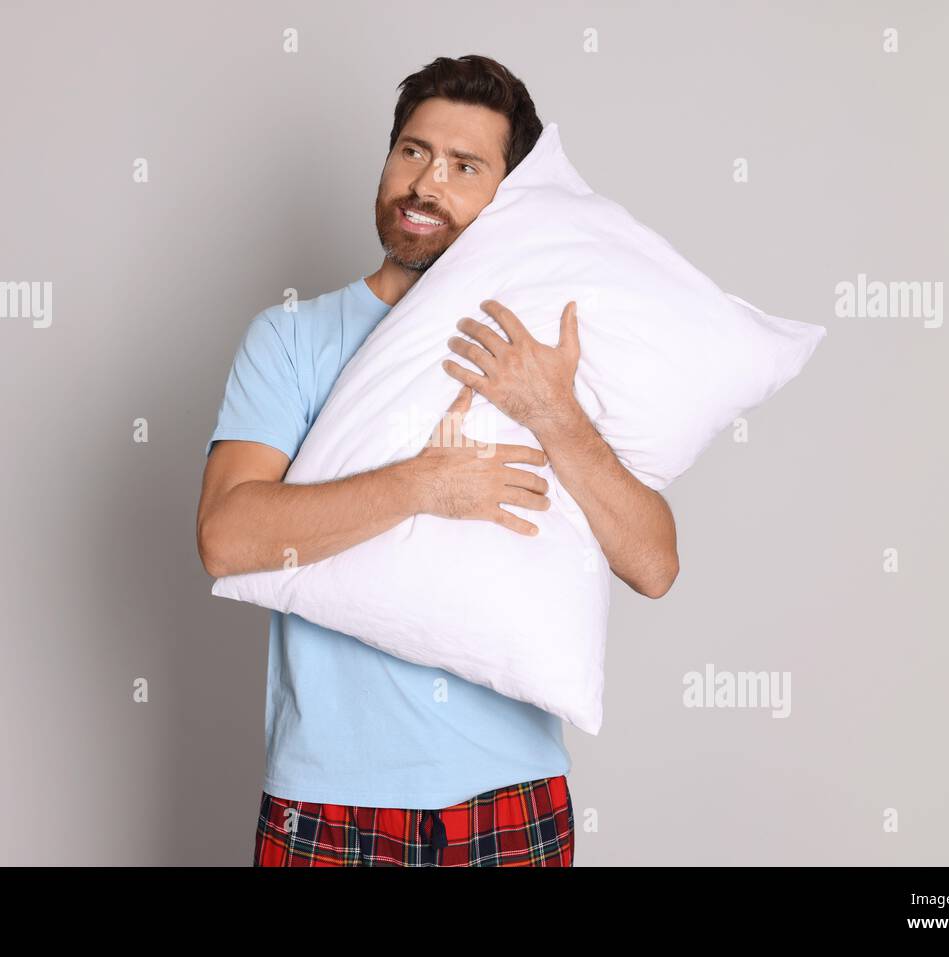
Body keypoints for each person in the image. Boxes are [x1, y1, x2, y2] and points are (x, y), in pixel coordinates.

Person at [196, 54, 679, 867]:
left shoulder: (542, 349)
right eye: (413, 151)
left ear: (507, 200)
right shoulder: (291, 339)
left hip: (510, 798)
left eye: (465, 166)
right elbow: (228, 537)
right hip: (327, 801)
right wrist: (427, 484)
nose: (426, 184)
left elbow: (655, 563)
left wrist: (554, 412)